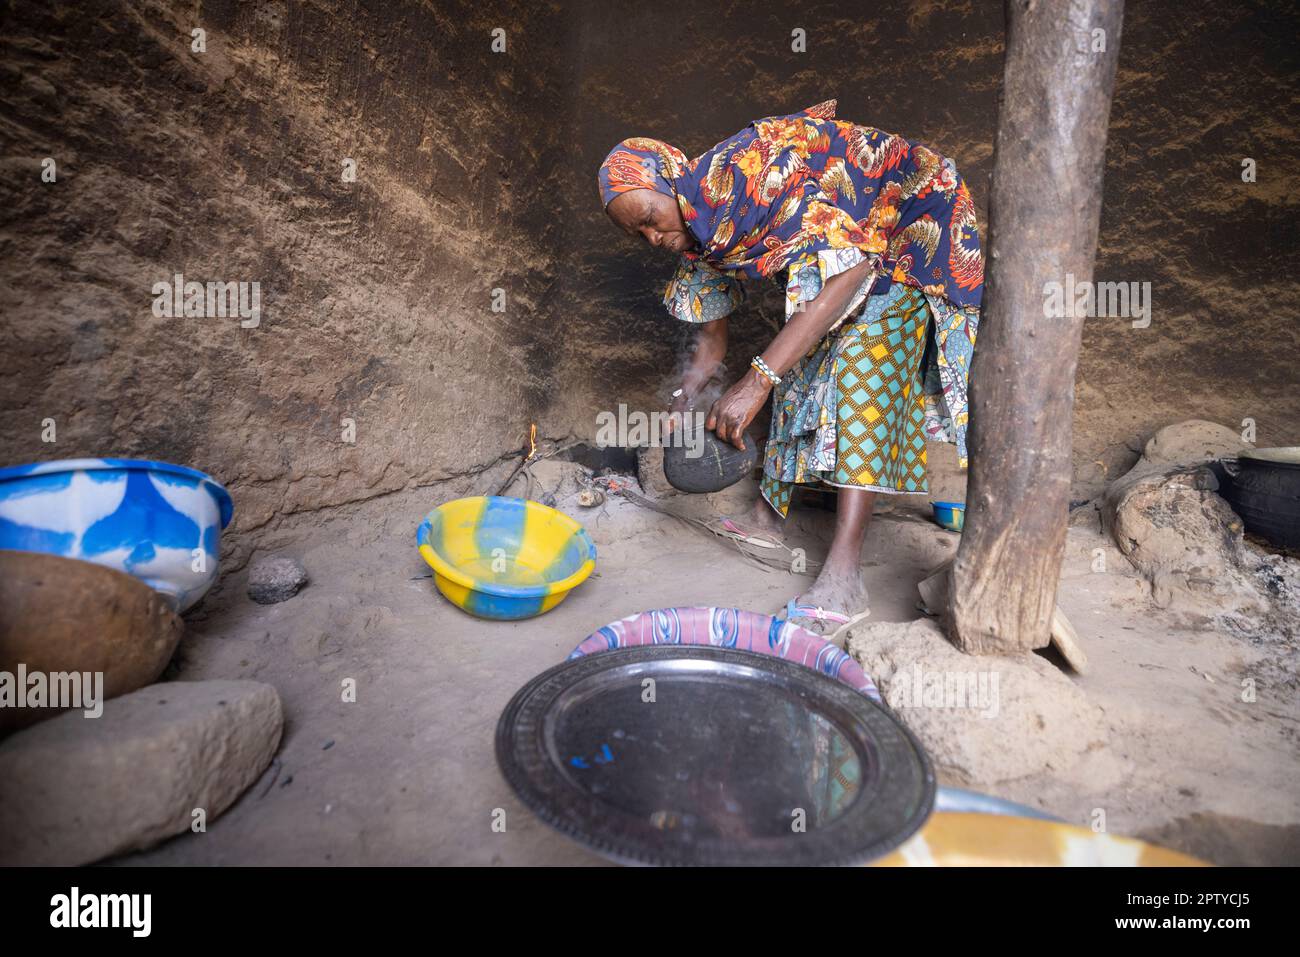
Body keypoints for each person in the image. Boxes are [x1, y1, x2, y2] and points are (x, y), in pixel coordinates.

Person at [598, 100, 982, 637]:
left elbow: (850, 271)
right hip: (851, 250)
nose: (652, 238)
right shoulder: (697, 229)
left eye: (649, 220)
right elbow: (710, 340)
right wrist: (687, 397)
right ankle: (767, 520)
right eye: (636, 236)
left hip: (909, 225)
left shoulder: (750, 172)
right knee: (794, 358)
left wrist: (757, 380)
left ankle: (845, 576)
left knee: (860, 365)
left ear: (672, 180)